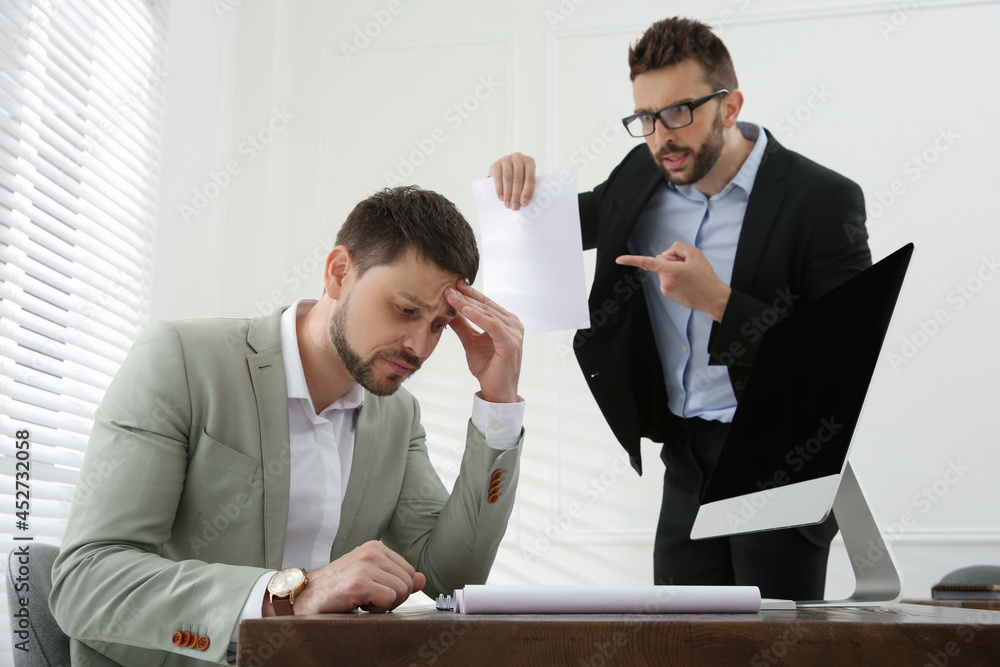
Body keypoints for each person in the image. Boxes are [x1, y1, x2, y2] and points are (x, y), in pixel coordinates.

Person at [50, 186, 526, 665]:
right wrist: (291, 595)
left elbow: (449, 576)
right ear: (339, 273)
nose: (420, 346)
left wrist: (498, 402)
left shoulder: (397, 417)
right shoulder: (182, 360)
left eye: (439, 325)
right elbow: (86, 581)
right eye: (405, 310)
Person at [489, 17, 870, 599]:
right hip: (686, 456)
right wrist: (517, 185)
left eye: (678, 111)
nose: (659, 135)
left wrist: (717, 301)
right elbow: (560, 224)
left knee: (774, 645)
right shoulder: (642, 175)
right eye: (644, 117)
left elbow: (842, 357)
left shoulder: (822, 200)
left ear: (730, 105)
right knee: (680, 642)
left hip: (781, 458)